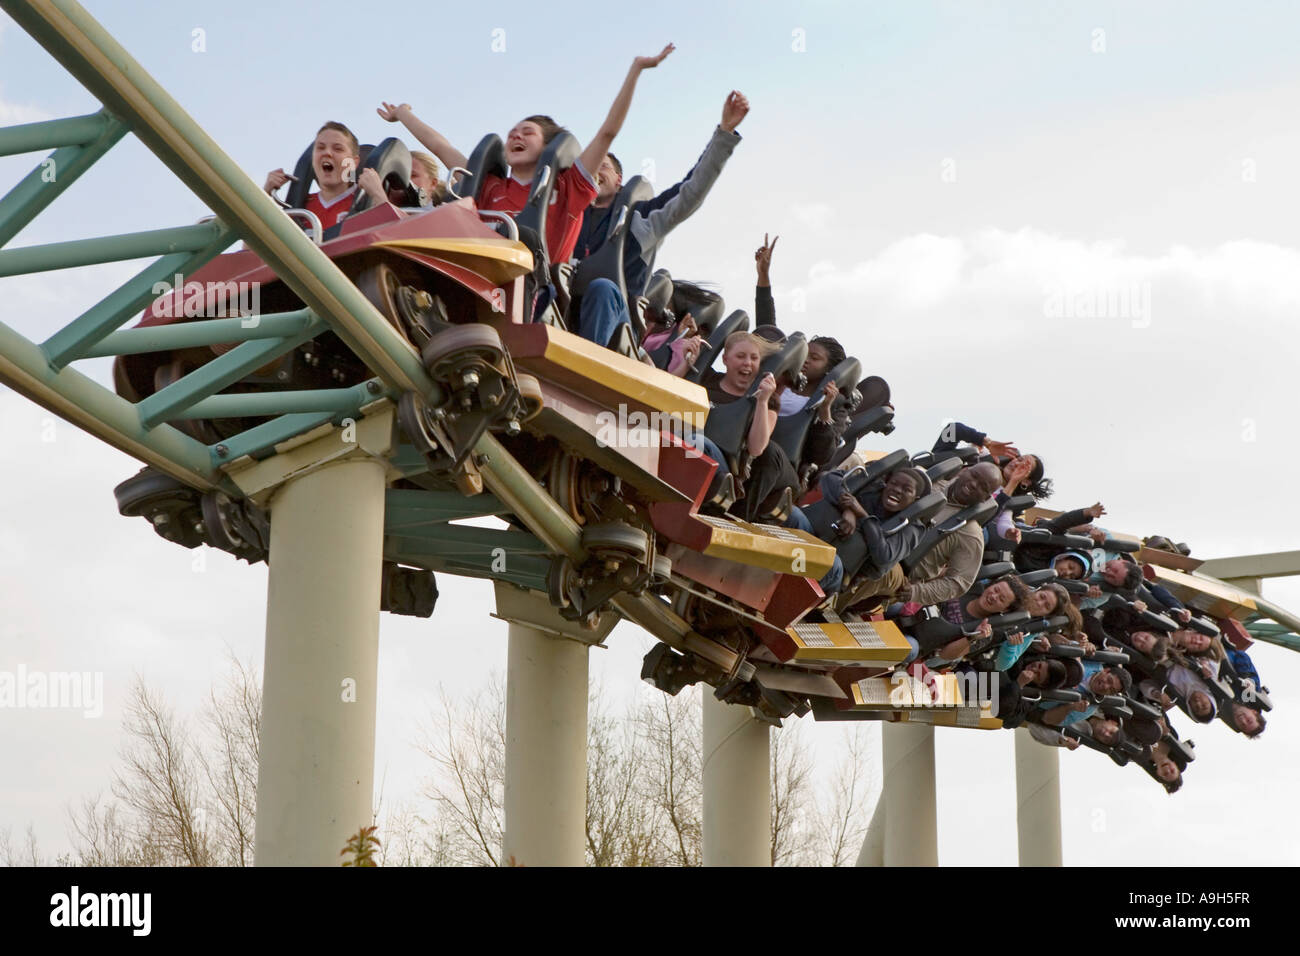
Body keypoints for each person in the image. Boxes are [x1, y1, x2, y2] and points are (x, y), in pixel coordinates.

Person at [377, 43, 674, 266]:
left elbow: (607, 133)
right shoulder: (492, 186)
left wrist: (635, 70)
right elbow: (441, 148)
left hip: (536, 283)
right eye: (512, 132)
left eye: (527, 132)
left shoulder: (568, 188)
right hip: (480, 272)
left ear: (548, 148)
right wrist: (403, 115)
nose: (515, 135)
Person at [573, 90, 748, 297]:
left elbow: (691, 189)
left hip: (612, 310)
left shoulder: (641, 217)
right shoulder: (568, 211)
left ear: (619, 179)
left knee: (602, 290)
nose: (594, 171)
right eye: (590, 166)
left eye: (602, 166)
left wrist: (724, 133)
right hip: (561, 304)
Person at [263, 122, 388, 232]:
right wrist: (264, 194)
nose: (327, 153)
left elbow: (395, 237)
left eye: (338, 149)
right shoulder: (297, 209)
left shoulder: (369, 202)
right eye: (320, 148)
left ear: (353, 163)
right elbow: (250, 249)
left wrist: (378, 194)